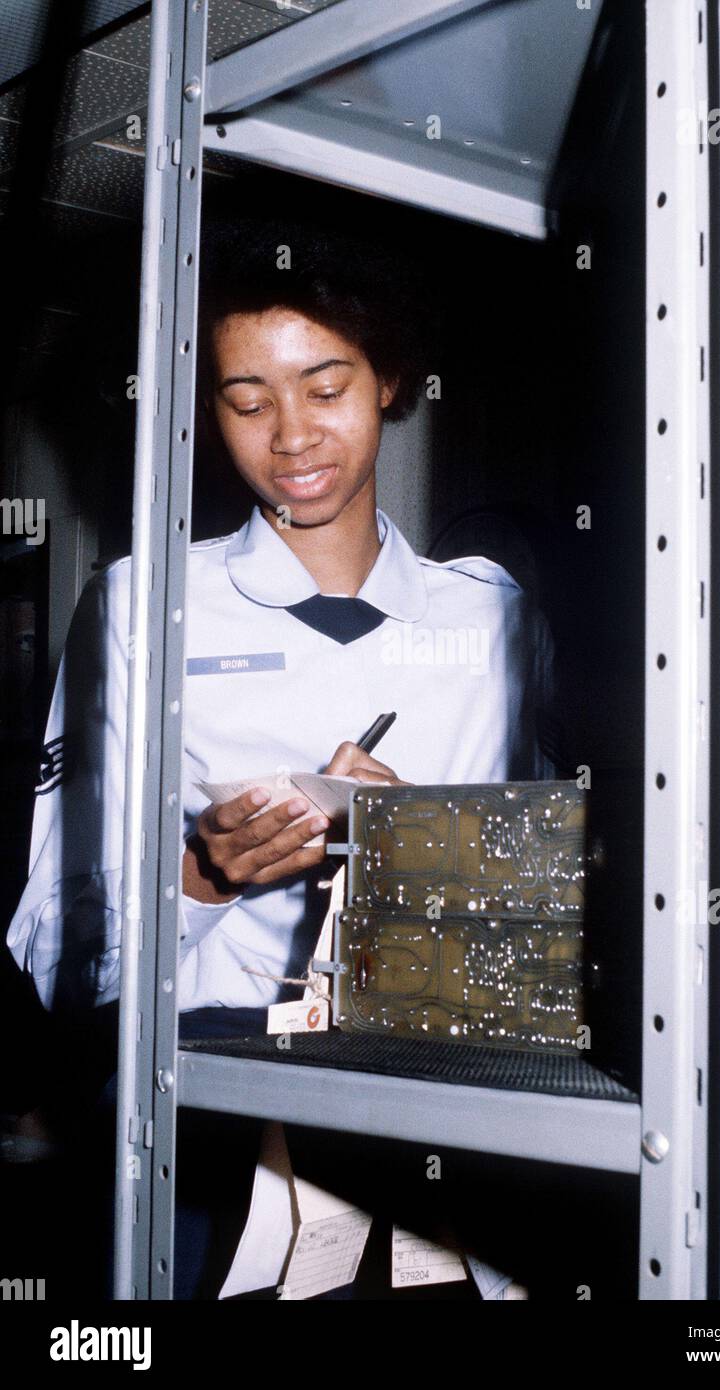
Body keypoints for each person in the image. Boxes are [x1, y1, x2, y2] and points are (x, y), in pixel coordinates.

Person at [6, 219, 555, 1298]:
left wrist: (431, 857)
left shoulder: (491, 616)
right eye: (247, 401)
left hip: (441, 1106)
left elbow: (550, 934)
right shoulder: (141, 605)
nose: (291, 435)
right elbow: (46, 942)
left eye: (326, 386)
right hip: (218, 1121)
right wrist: (201, 875)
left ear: (392, 379)